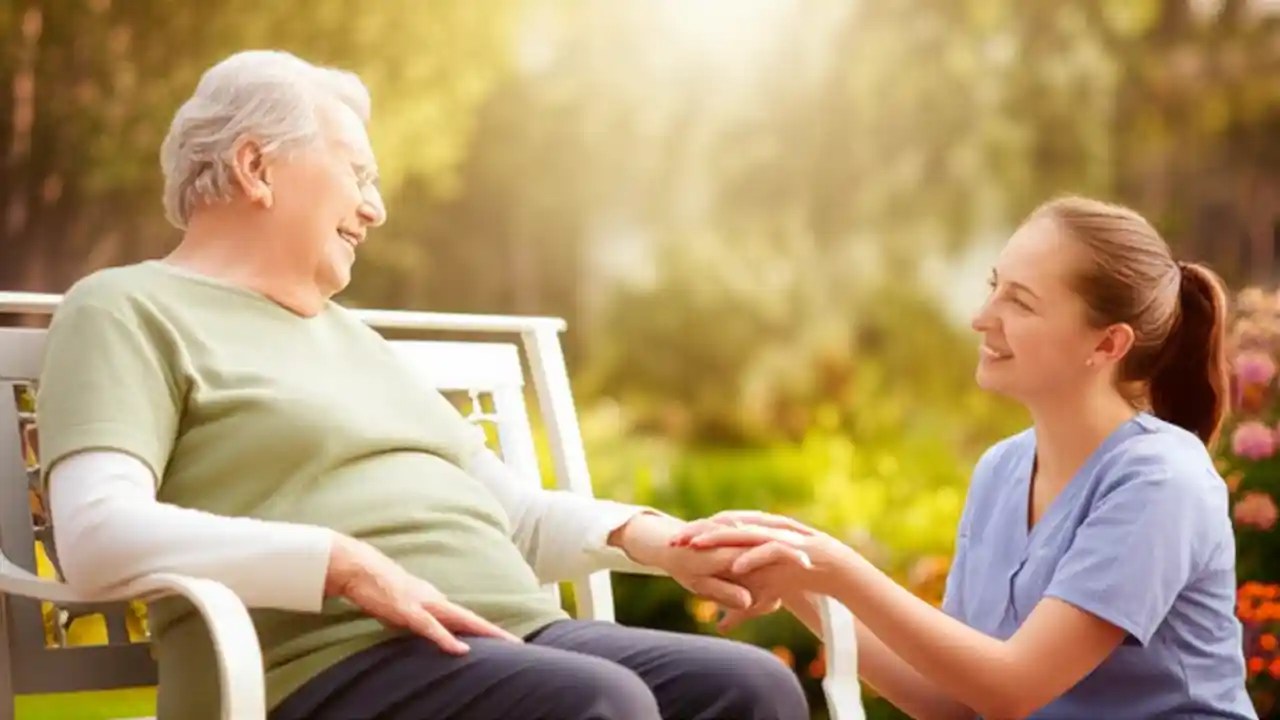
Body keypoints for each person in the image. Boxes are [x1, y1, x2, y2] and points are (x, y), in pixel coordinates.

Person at [34, 50, 806, 720]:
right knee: (600, 704)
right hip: (321, 668)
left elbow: (514, 517)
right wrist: (342, 562)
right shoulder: (126, 307)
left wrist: (659, 540)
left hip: (507, 639)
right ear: (255, 167)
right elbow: (99, 536)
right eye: (357, 174)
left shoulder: (356, 339)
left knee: (749, 690)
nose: (376, 208)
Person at [674, 196, 1258, 719]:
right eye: (994, 286)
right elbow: (952, 701)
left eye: (1020, 303)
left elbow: (1012, 690)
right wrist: (799, 580)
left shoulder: (1162, 482)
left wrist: (837, 566)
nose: (982, 318)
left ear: (1108, 344)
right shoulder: (1002, 470)